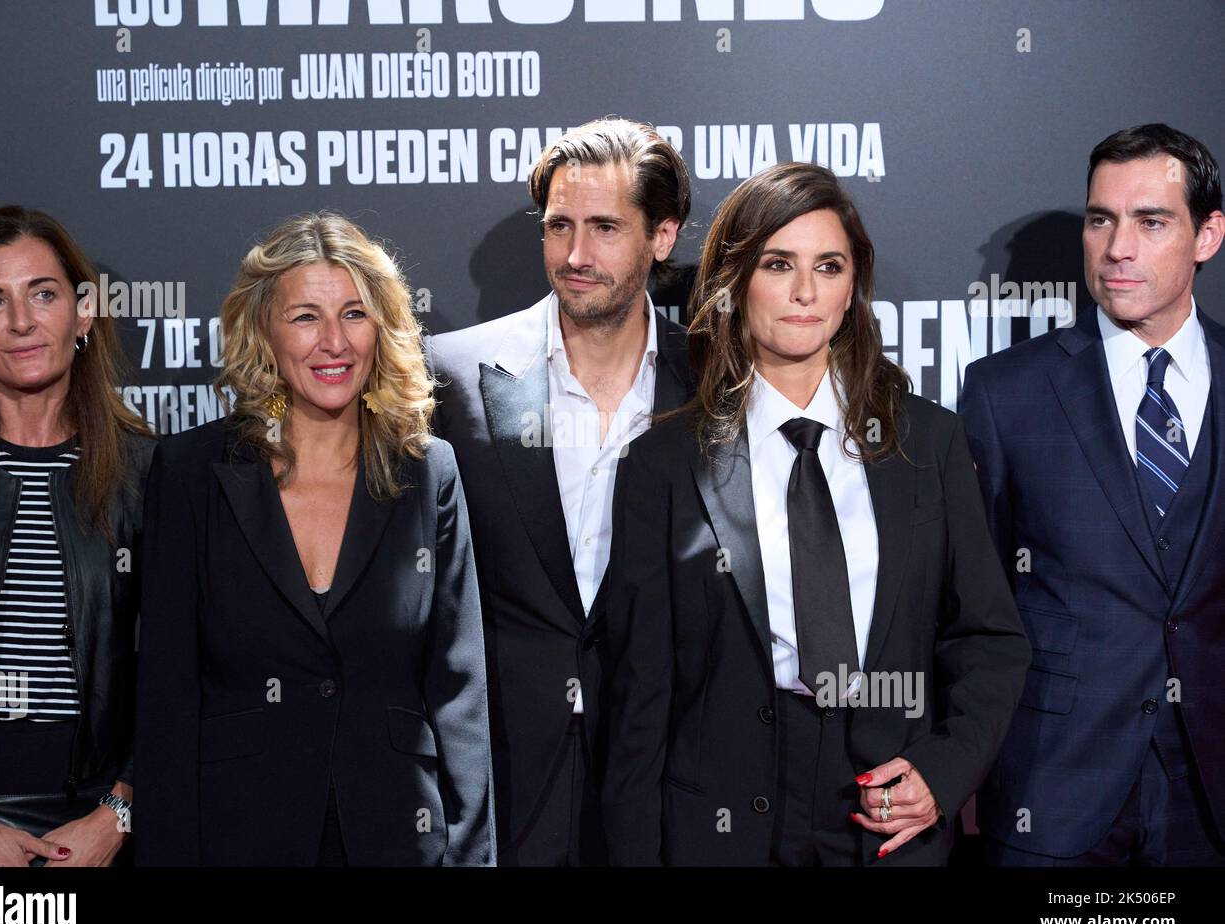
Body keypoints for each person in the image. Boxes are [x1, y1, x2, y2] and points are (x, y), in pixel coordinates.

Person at [600, 162, 1030, 866]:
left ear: (852, 283)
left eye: (828, 266)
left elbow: (989, 638)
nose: (805, 293)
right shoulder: (664, 464)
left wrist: (944, 772)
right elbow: (640, 696)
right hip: (719, 820)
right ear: (734, 281)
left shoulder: (929, 443)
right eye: (778, 265)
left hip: (881, 813)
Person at [133, 212, 493, 866]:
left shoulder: (427, 471)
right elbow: (166, 704)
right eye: (305, 317)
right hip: (240, 840)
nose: (334, 342)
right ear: (263, 331)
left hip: (398, 841)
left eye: (354, 314)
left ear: (381, 327)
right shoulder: (190, 474)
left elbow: (459, 695)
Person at [426, 118, 695, 865]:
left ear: (662, 236)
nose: (575, 257)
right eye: (558, 227)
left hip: (669, 770)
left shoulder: (714, 382)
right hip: (504, 769)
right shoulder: (449, 375)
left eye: (606, 227)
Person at [965, 124, 1225, 866]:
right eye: (1100, 219)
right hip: (1052, 784)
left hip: (1210, 796)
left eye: (1151, 222)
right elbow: (974, 604)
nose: (1117, 249)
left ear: (1208, 235)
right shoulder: (1004, 392)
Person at [0, 206, 154, 866]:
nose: (22, 322)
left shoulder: (149, 474)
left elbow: (184, 671)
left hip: (99, 827)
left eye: (43, 294)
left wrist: (118, 814)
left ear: (83, 315)